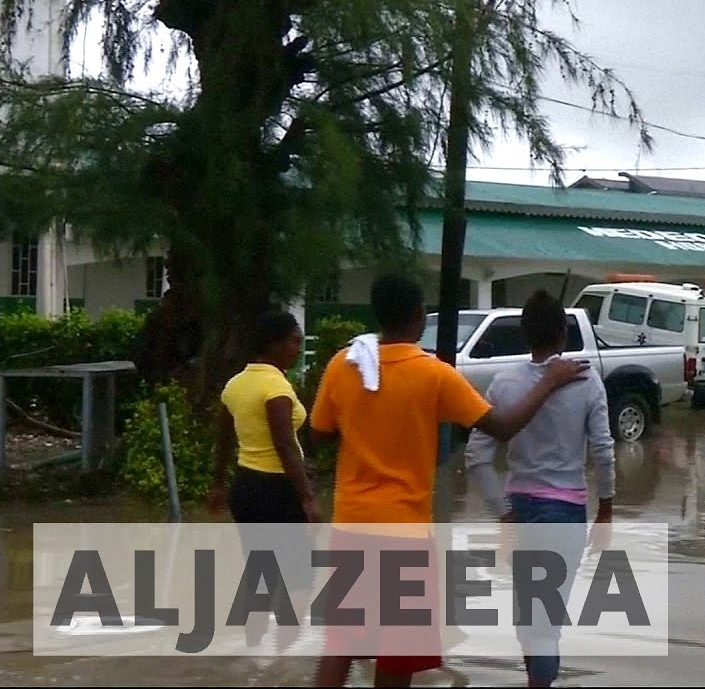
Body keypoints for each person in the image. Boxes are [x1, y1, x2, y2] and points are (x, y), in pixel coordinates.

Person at [308, 273, 590, 689]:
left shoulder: (343, 364)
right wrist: (549, 381)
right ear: (420, 316)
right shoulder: (433, 374)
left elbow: (318, 432)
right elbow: (503, 427)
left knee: (342, 641)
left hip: (350, 523)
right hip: (403, 530)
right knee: (396, 653)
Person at [465, 289, 616, 688]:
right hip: (564, 513)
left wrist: (503, 511)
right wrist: (607, 507)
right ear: (564, 335)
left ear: (524, 335)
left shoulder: (503, 383)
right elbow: (603, 449)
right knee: (545, 625)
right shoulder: (586, 380)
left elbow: (476, 457)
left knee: (528, 620)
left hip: (519, 509)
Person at [208, 309, 319, 651]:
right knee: (300, 578)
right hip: (278, 490)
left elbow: (224, 439)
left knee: (260, 572)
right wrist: (308, 499)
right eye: (294, 341)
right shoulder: (275, 387)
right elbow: (285, 445)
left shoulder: (236, 384)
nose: (298, 348)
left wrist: (218, 484)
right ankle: (285, 658)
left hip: (245, 488)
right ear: (274, 344)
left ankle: (250, 652)